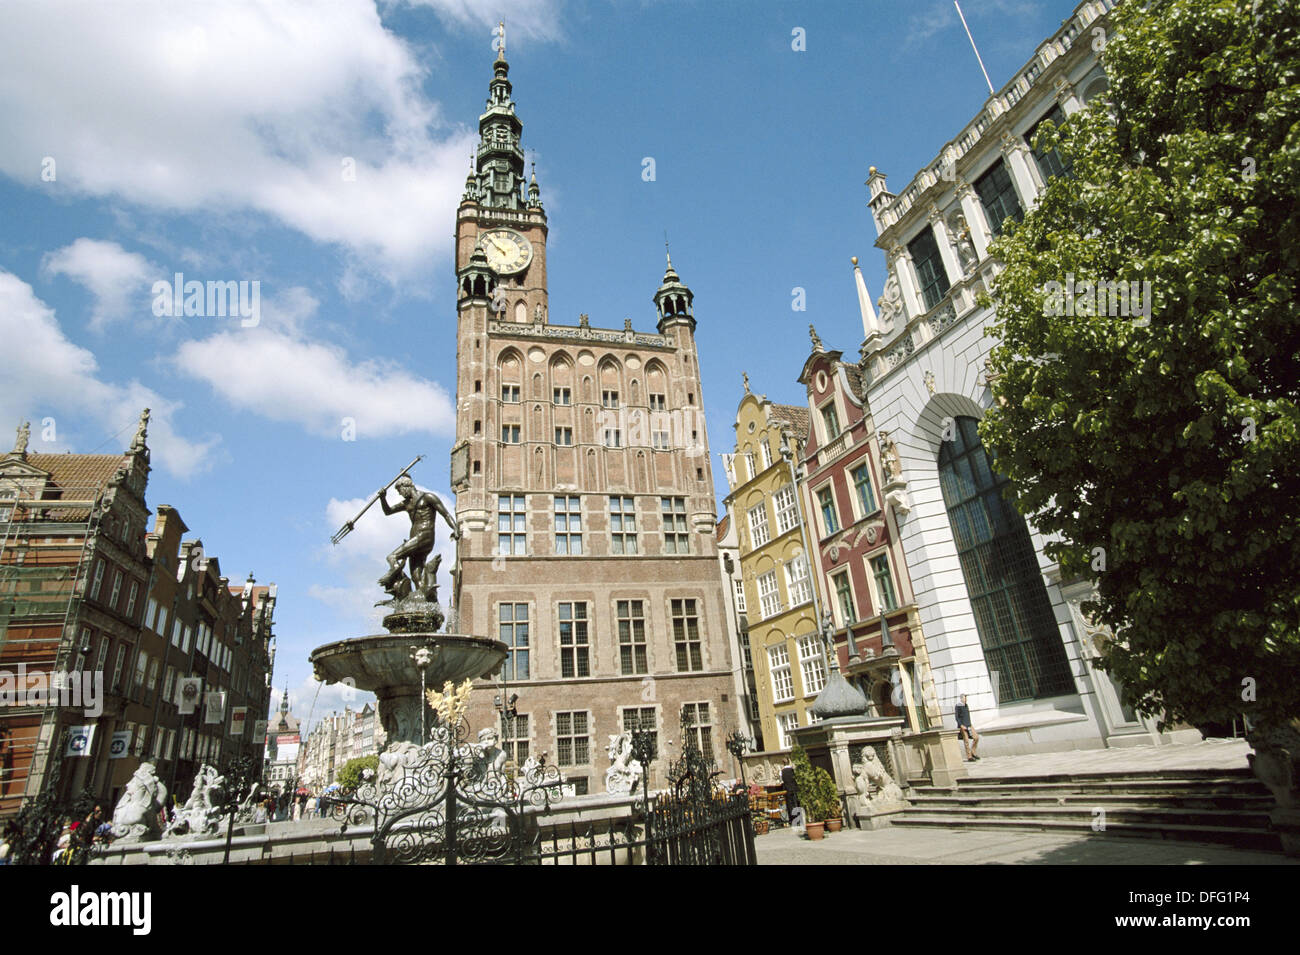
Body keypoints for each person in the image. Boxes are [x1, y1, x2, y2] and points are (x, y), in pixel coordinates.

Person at [955, 694, 980, 761]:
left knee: (976, 737)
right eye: (964, 698)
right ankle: (969, 756)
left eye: (966, 698)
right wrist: (961, 725)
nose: (966, 700)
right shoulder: (958, 706)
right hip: (963, 725)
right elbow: (957, 717)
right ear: (961, 699)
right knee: (966, 741)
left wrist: (969, 724)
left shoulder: (966, 705)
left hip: (969, 724)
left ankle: (973, 752)